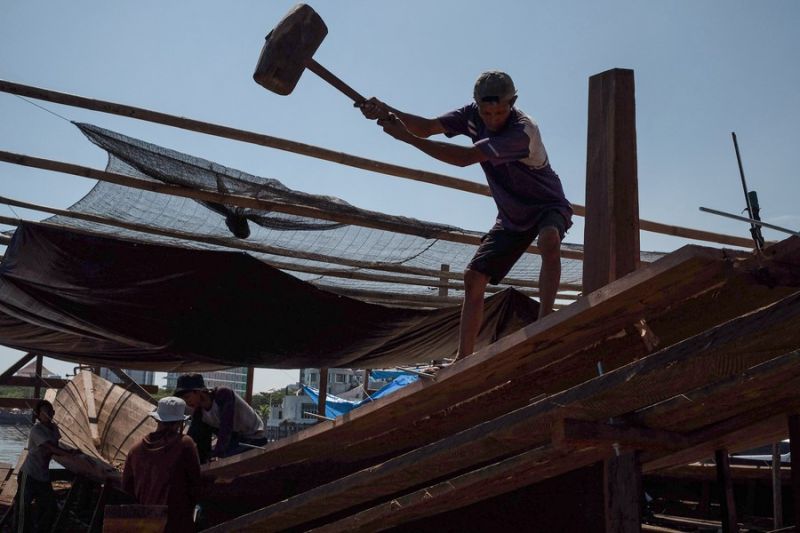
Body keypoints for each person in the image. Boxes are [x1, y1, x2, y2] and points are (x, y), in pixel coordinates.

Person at [359, 71, 573, 360]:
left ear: (513, 103)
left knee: (549, 239)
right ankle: (464, 357)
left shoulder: (522, 131)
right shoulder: (471, 115)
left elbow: (463, 158)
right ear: (477, 104)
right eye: (487, 113)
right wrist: (385, 110)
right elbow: (427, 127)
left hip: (546, 203)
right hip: (512, 214)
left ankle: (544, 322)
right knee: (473, 277)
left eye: (500, 112)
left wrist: (407, 139)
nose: (493, 119)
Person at [122, 396, 201, 533]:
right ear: (180, 423)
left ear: (157, 420)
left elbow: (126, 488)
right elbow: (195, 484)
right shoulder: (185, 444)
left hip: (146, 523)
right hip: (176, 523)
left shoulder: (135, 449)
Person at [14, 399, 79, 533]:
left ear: (53, 413)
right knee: (23, 509)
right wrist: (69, 455)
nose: (47, 414)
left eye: (49, 411)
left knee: (51, 508)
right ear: (38, 415)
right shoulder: (36, 430)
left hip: (43, 476)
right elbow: (50, 447)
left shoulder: (54, 428)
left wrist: (72, 451)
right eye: (44, 412)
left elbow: (56, 446)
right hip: (29, 475)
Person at [173, 374, 267, 463]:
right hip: (234, 439)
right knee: (199, 447)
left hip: (253, 438)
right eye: (183, 399)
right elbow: (194, 437)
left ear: (198, 391)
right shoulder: (199, 411)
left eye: (187, 397)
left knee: (223, 458)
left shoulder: (223, 394)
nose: (186, 401)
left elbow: (226, 427)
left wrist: (218, 454)